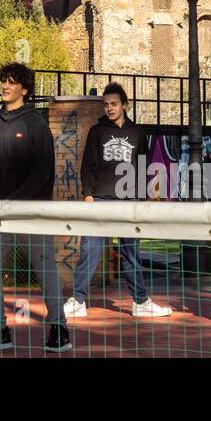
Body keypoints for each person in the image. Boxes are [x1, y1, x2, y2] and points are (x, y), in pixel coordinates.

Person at [0, 62, 71, 353]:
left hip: (30, 215)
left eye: (11, 82)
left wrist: (14, 203)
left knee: (46, 270)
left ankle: (59, 329)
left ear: (24, 89)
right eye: (3, 81)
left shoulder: (35, 123)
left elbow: (42, 173)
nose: (5, 86)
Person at [65, 82, 172, 320]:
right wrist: (88, 194)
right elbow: (88, 165)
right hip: (101, 199)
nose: (109, 108)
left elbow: (143, 167)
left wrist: (143, 196)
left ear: (125, 105)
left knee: (131, 253)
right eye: (106, 104)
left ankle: (141, 302)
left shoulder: (138, 133)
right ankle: (78, 301)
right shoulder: (97, 131)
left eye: (114, 104)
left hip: (129, 201)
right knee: (89, 251)